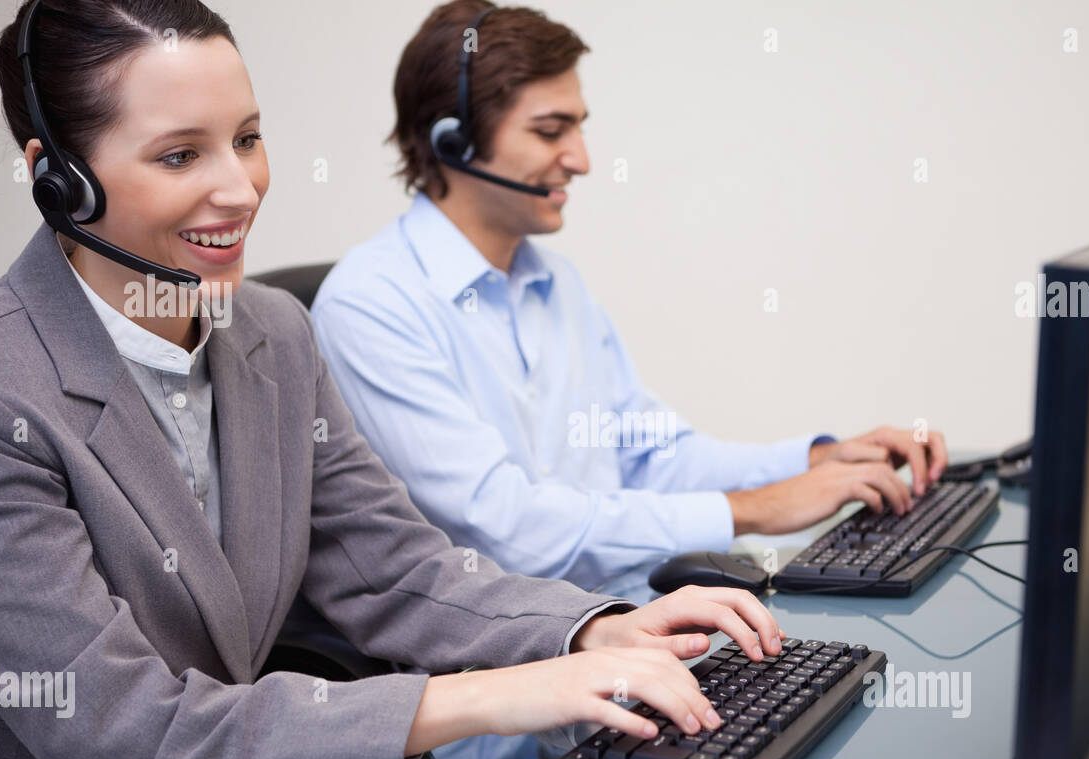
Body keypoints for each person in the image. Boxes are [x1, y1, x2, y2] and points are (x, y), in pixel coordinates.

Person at [0, 0, 784, 759]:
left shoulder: (274, 334)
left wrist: (590, 630)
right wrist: (501, 695)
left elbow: (397, 570)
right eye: (180, 154)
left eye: (247, 139)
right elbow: (129, 741)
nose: (242, 189)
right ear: (56, 175)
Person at [311, 0, 951, 594]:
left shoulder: (555, 283)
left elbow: (650, 454)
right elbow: (508, 531)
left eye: (579, 128)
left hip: (634, 629)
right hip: (516, 681)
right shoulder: (371, 305)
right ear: (454, 142)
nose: (581, 159)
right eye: (550, 130)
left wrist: (816, 459)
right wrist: (756, 510)